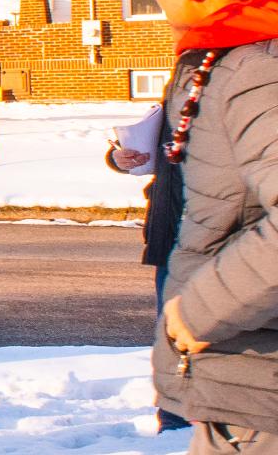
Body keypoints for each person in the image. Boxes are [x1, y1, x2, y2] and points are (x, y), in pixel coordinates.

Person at [146, 0, 278, 453]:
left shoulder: (256, 71)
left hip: (258, 400)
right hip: (239, 388)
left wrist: (198, 313)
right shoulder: (227, 59)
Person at [105, 69, 189, 432]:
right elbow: (162, 139)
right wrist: (119, 157)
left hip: (225, 228)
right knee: (171, 325)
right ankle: (174, 413)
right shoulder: (187, 74)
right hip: (171, 224)